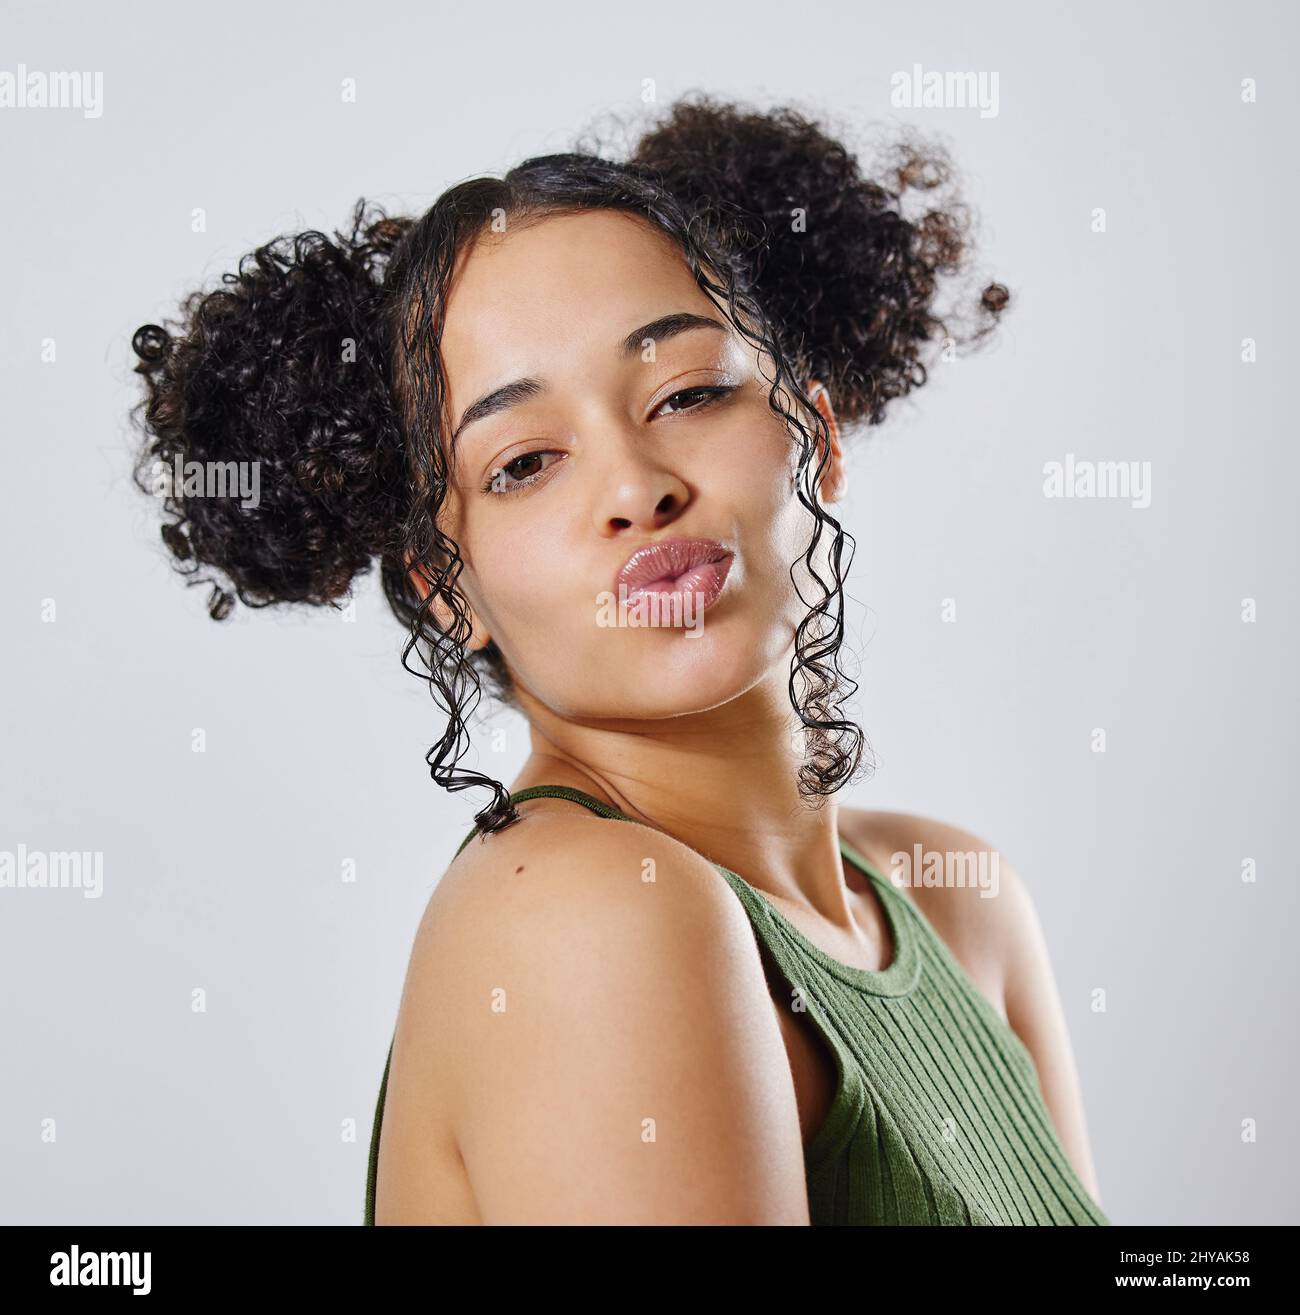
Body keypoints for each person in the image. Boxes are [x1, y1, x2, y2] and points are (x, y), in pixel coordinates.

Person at [130, 93, 1106, 1225]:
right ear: (445, 588)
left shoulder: (958, 904)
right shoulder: (596, 915)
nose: (637, 487)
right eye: (524, 462)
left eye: (686, 393)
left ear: (817, 434)